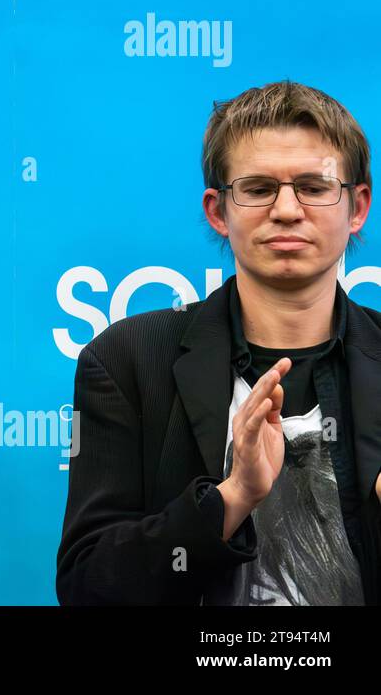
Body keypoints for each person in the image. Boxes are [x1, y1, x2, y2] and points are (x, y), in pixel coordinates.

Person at [57, 81, 381, 605]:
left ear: (357, 206)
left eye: (314, 187)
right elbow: (88, 584)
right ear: (217, 211)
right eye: (257, 189)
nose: (286, 210)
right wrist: (232, 498)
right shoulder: (127, 359)